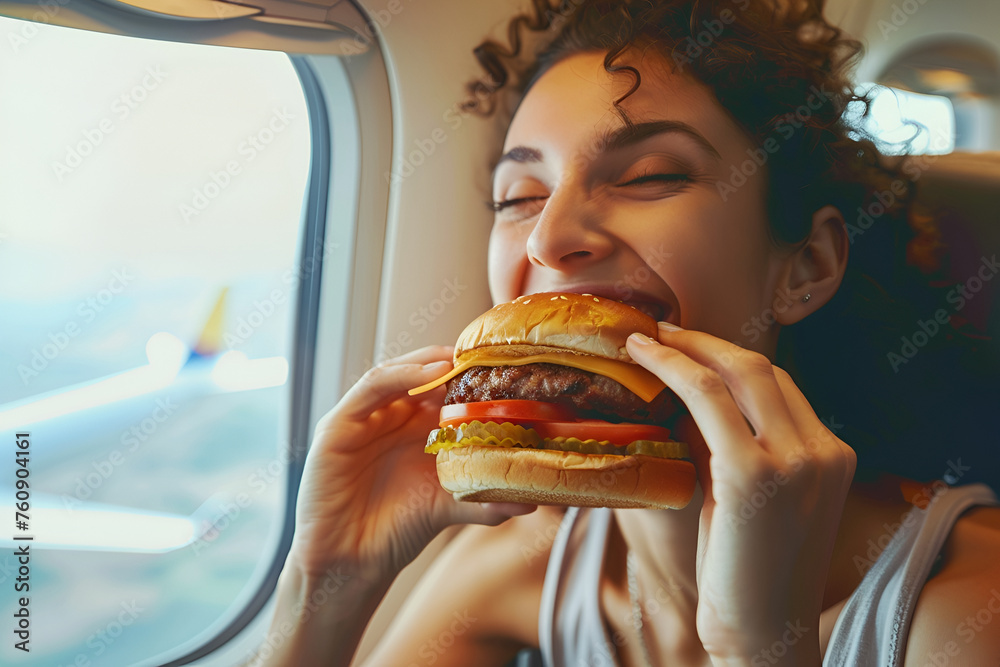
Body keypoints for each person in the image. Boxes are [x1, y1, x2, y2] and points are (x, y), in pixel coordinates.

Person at [258, 1, 1000, 665]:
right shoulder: (522, 558)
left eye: (647, 175)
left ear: (806, 264)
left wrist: (759, 650)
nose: (548, 239)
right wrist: (324, 584)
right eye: (520, 196)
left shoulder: (969, 602)